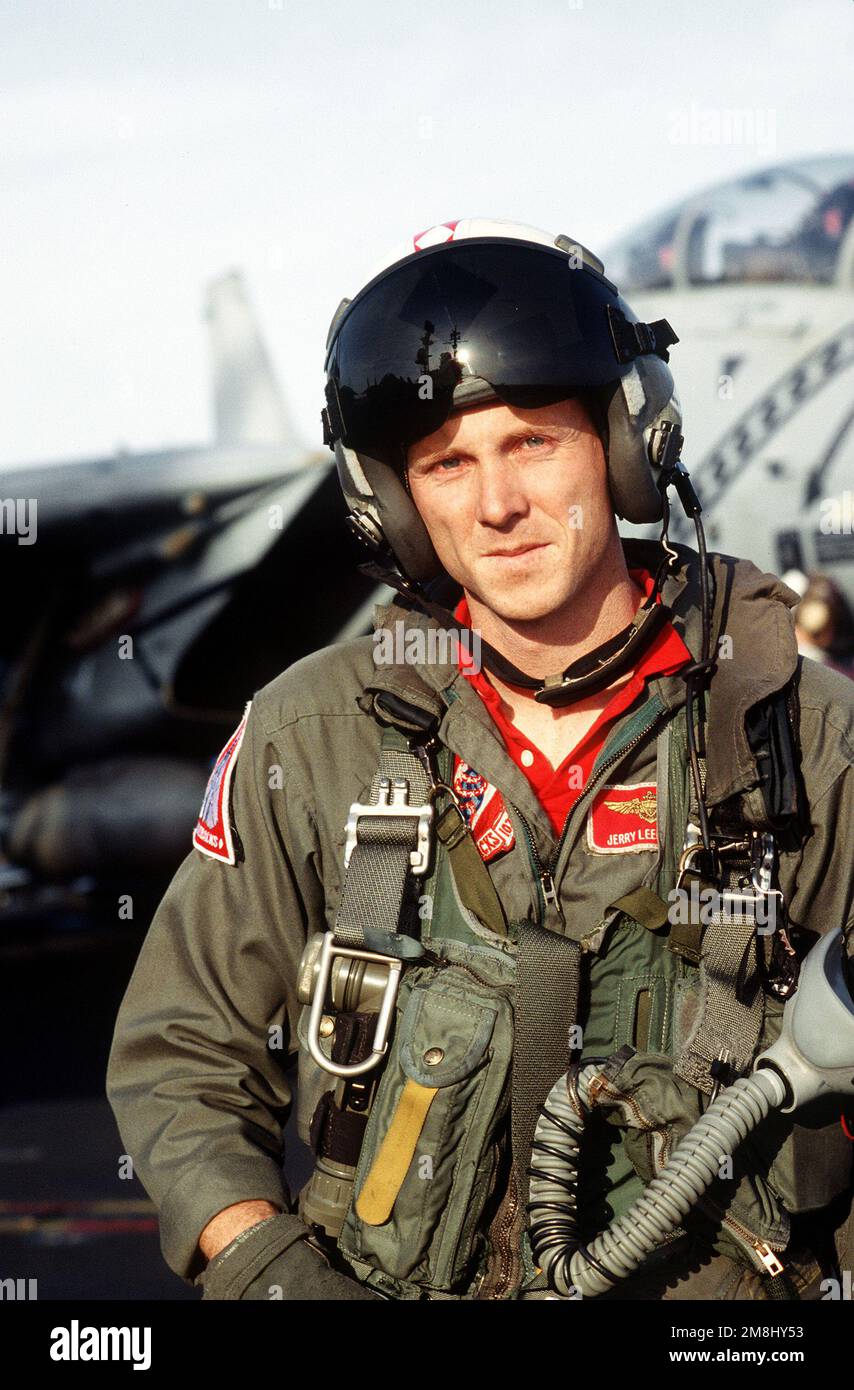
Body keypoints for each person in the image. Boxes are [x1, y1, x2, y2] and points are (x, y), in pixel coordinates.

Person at [106, 219, 854, 1301]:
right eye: (446, 464)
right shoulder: (311, 733)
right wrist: (270, 1272)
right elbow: (182, 1050)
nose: (495, 504)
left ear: (623, 441)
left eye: (532, 443)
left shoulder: (799, 730)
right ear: (394, 501)